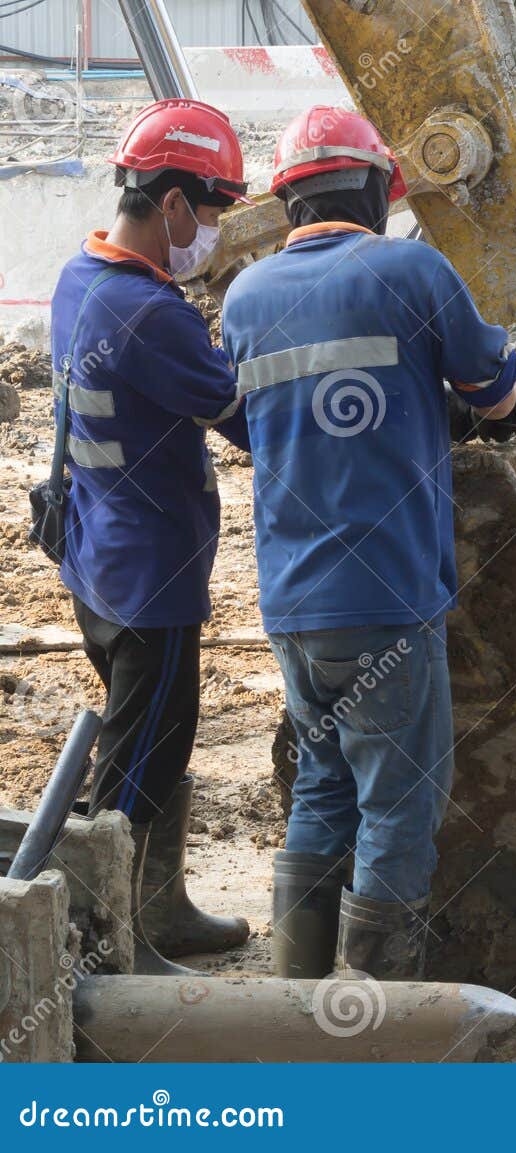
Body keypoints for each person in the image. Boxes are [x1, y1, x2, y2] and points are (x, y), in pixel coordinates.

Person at [219, 107, 516, 981]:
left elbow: (253, 425)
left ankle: (298, 995)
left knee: (323, 785)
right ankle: (375, 1013)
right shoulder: (410, 269)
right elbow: (497, 392)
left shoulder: (244, 297)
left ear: (288, 202)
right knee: (400, 800)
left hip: (291, 604)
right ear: (374, 190)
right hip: (389, 598)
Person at [50, 99, 253, 974]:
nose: (214, 229)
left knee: (140, 742)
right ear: (171, 203)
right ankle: (108, 950)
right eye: (211, 210)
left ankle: (158, 912)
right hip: (152, 581)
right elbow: (245, 418)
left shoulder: (80, 277)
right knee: (143, 760)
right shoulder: (154, 313)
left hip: (96, 559)